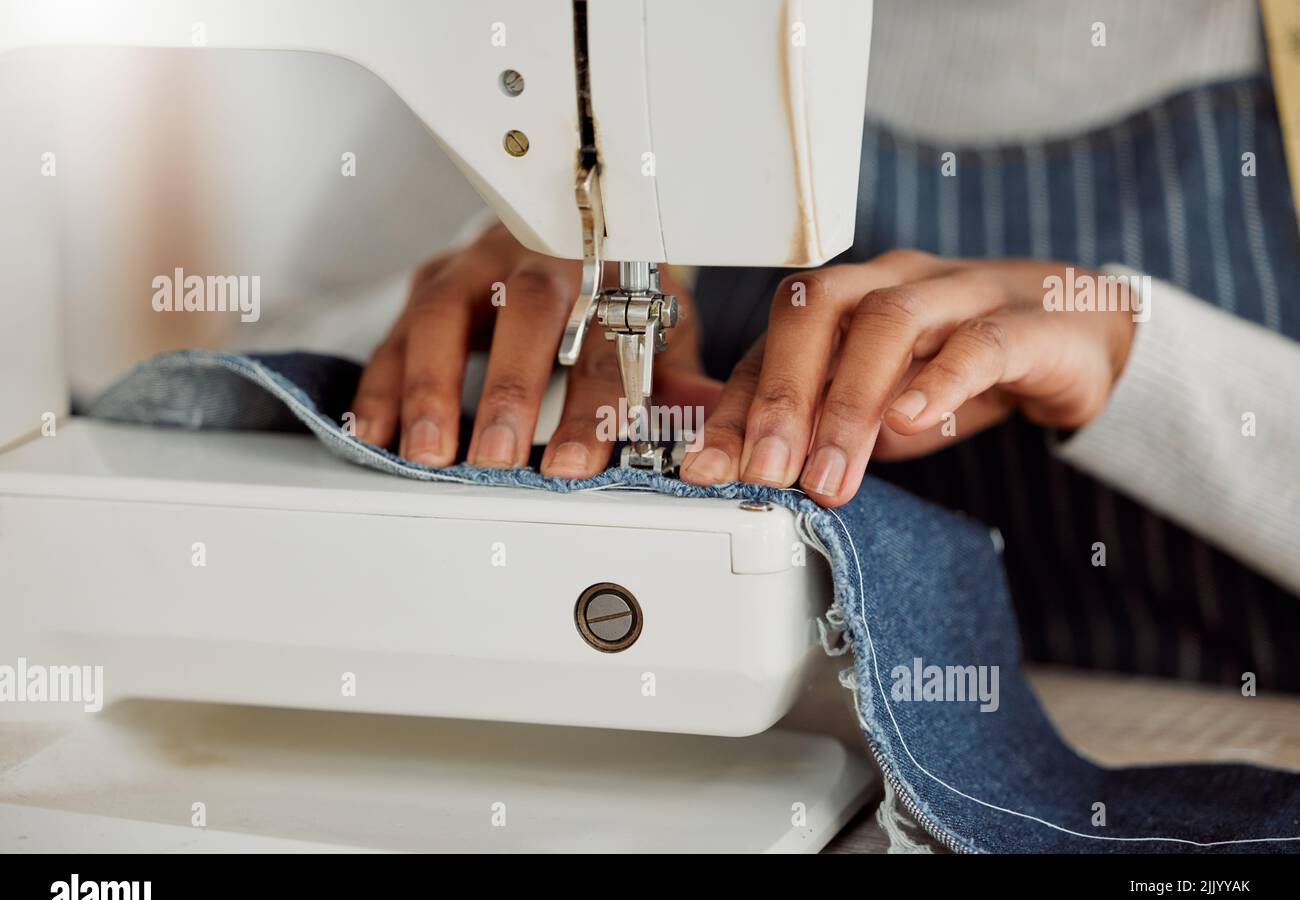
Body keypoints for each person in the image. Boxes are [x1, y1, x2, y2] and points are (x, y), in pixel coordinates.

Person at [349, 1, 1300, 689]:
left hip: (1219, 730)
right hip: (786, 726)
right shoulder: (604, 50)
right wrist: (548, 230)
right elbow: (290, 341)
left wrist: (1135, 356)